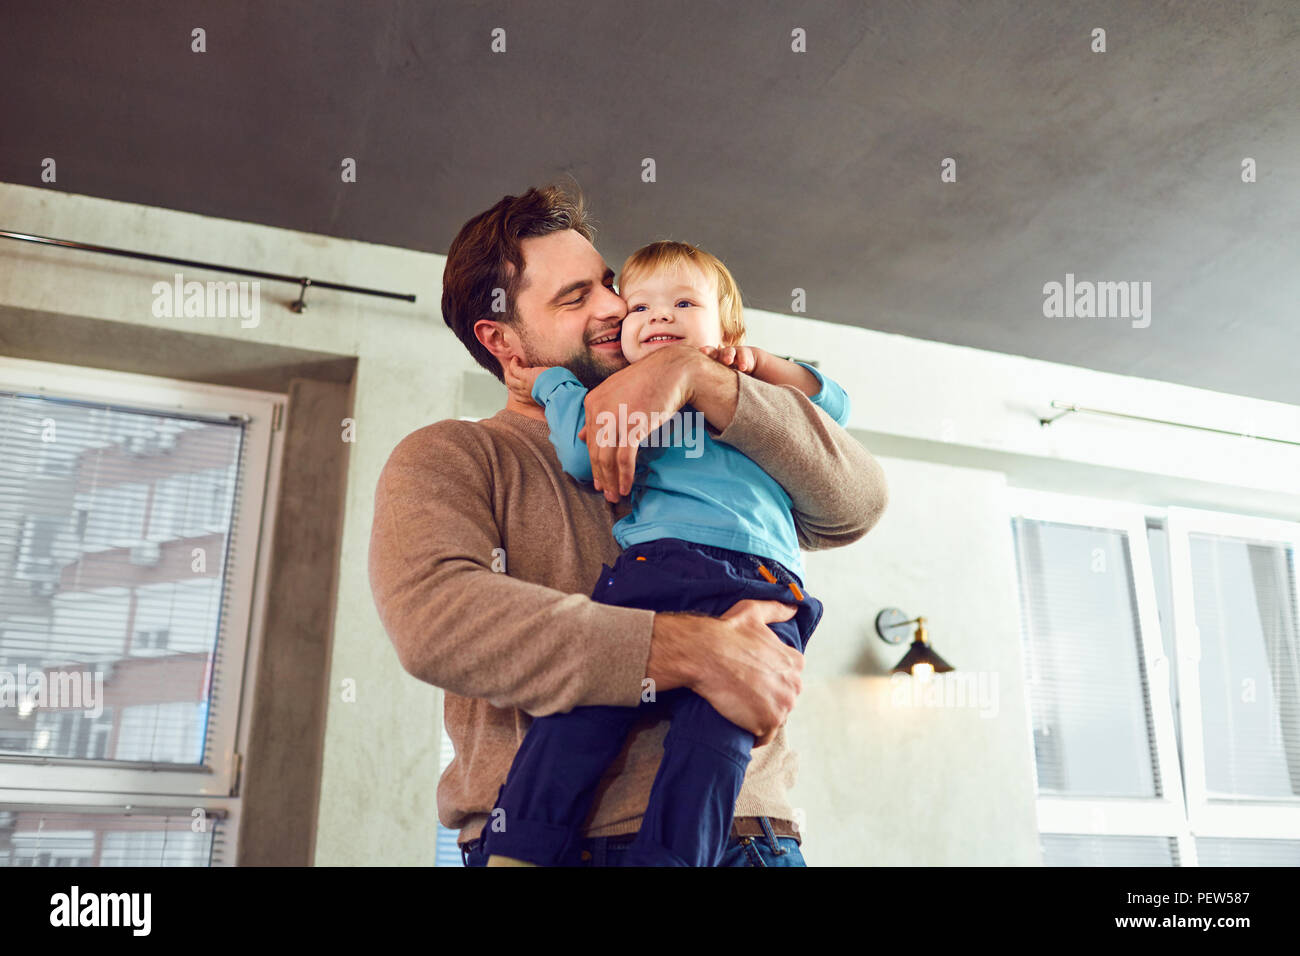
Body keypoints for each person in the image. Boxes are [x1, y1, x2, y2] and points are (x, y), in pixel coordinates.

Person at [367, 183, 889, 867]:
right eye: (574, 297)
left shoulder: (707, 425)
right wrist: (692, 649)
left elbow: (858, 501)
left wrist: (696, 376)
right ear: (503, 340)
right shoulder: (453, 455)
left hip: (746, 838)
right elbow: (439, 620)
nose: (617, 308)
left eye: (609, 285)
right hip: (558, 846)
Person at [481, 239, 851, 867]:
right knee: (583, 710)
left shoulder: (745, 392)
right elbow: (580, 451)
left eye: (683, 303)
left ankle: (674, 857)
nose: (656, 316)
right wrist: (556, 384)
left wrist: (752, 365)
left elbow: (835, 407)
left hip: (764, 585)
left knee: (717, 737)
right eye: (640, 307)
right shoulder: (620, 395)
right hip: (662, 565)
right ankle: (522, 844)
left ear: (725, 327)